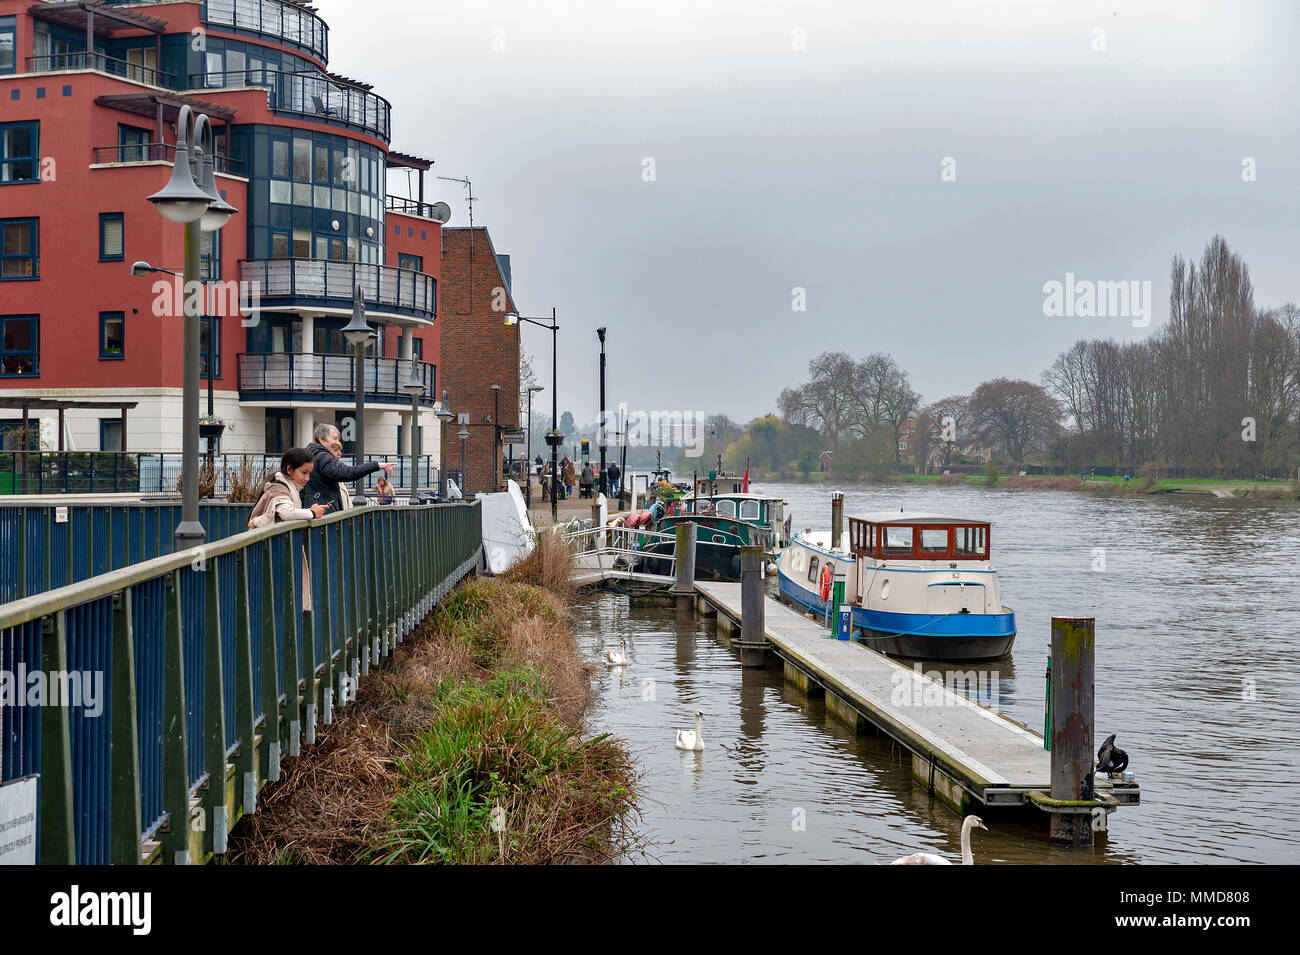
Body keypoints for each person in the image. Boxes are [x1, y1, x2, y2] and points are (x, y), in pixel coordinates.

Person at [302, 423, 394, 511]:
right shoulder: (322, 457)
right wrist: (377, 465)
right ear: (322, 440)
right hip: (324, 514)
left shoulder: (310, 455)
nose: (337, 442)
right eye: (335, 438)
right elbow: (348, 473)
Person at [247, 448, 331, 528]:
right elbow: (286, 513)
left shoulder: (290, 485)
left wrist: (309, 511)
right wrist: (312, 512)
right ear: (289, 470)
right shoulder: (278, 488)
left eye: (309, 473)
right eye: (304, 473)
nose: (307, 478)